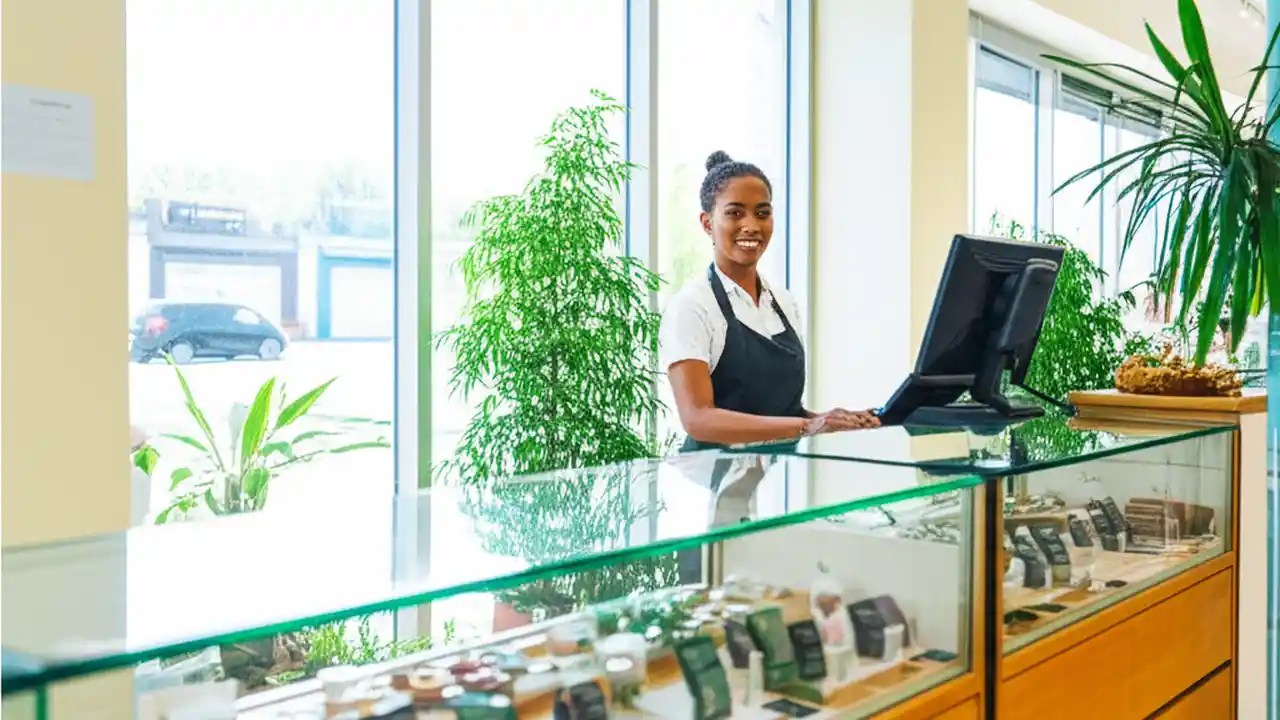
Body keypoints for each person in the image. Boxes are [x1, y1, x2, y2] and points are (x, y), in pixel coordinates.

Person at [660, 151, 879, 452]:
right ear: (707, 223)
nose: (751, 226)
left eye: (762, 213)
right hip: (712, 483)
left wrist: (835, 421)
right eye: (735, 213)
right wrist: (807, 426)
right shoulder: (692, 307)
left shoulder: (783, 302)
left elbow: (782, 412)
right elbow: (698, 419)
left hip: (778, 477)